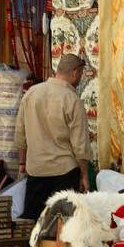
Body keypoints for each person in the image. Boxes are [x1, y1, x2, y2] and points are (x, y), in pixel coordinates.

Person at [14, 53, 90, 222]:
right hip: (65, 171)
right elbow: (80, 144)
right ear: (75, 73)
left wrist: (22, 163)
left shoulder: (31, 93)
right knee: (62, 224)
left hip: (36, 169)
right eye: (81, 74)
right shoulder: (72, 99)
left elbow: (20, 132)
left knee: (32, 222)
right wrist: (84, 175)